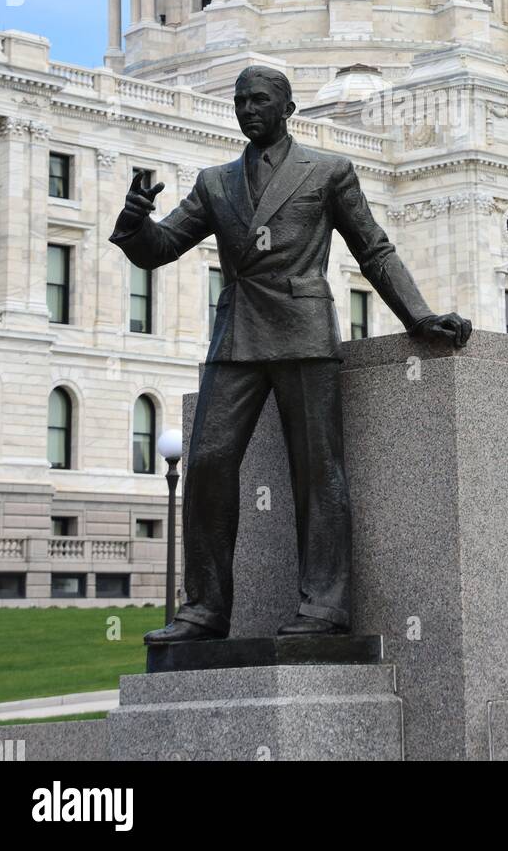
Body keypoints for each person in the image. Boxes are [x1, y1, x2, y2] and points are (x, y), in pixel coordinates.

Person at [110, 65, 471, 642]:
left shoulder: (329, 171)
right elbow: (162, 248)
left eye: (259, 100)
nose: (248, 109)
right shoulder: (214, 183)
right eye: (240, 101)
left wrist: (419, 316)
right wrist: (134, 222)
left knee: (317, 470)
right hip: (237, 335)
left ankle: (324, 606)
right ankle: (204, 609)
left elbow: (374, 250)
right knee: (207, 462)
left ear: (288, 108)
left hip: (303, 333)